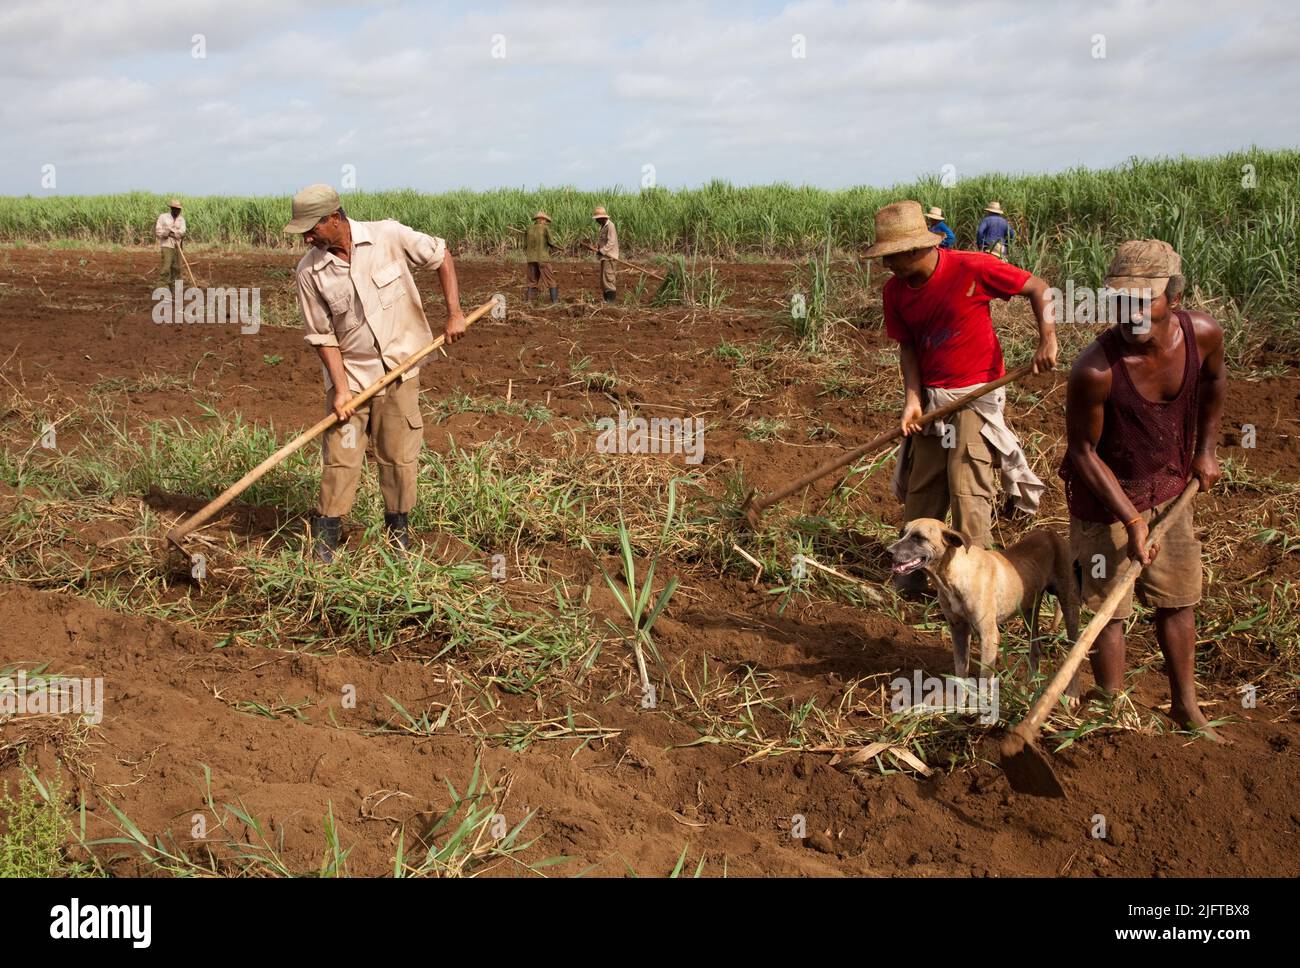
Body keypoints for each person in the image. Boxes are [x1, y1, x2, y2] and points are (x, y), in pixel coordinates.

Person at [1060, 240, 1226, 738]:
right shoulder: (1094, 371)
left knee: (1177, 598)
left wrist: (1206, 450)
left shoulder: (1205, 335)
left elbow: (1215, 383)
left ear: (1174, 296)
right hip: (1103, 500)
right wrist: (1130, 520)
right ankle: (1113, 711)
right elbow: (1083, 453)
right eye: (1119, 300)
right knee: (1109, 606)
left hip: (1170, 487)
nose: (1130, 313)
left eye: (1143, 300)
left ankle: (1186, 708)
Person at [863, 201, 1056, 594]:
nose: (888, 266)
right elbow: (909, 349)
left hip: (975, 392)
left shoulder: (971, 268)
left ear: (917, 249)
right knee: (923, 489)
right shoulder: (895, 292)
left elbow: (1038, 288)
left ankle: (973, 589)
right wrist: (912, 400)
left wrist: (1047, 340)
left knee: (968, 487)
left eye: (892, 257)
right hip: (934, 399)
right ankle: (912, 581)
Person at [284, 183, 466, 562]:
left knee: (399, 456)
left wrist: (453, 313)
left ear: (334, 218)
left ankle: (398, 537)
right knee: (341, 456)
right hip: (351, 379)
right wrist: (340, 388)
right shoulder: (309, 271)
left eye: (311, 228)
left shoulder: (388, 235)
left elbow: (441, 255)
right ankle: (326, 543)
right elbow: (323, 335)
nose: (306, 237)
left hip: (400, 371)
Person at [524, 210, 559, 304]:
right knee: (550, 280)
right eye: (545, 220)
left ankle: (528, 302)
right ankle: (555, 302)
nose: (546, 222)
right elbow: (551, 242)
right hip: (542, 258)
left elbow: (525, 244)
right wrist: (556, 247)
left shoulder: (528, 228)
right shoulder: (545, 228)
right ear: (542, 219)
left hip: (531, 258)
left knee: (532, 280)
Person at [155, 198, 186, 283]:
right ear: (172, 209)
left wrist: (170, 233)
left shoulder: (181, 219)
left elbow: (182, 232)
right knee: (166, 267)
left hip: (178, 246)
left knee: (177, 267)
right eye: (176, 209)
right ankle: (162, 286)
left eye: (179, 209)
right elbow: (158, 231)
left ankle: (175, 288)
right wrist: (167, 234)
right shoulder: (163, 217)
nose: (178, 211)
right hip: (166, 245)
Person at [592, 206, 618, 302]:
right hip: (604, 257)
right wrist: (598, 249)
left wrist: (602, 251)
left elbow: (611, 242)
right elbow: (602, 241)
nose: (596, 221)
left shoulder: (610, 226)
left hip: (610, 257)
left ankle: (610, 303)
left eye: (597, 219)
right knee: (604, 280)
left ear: (602, 217)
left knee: (609, 278)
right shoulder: (602, 226)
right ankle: (606, 301)